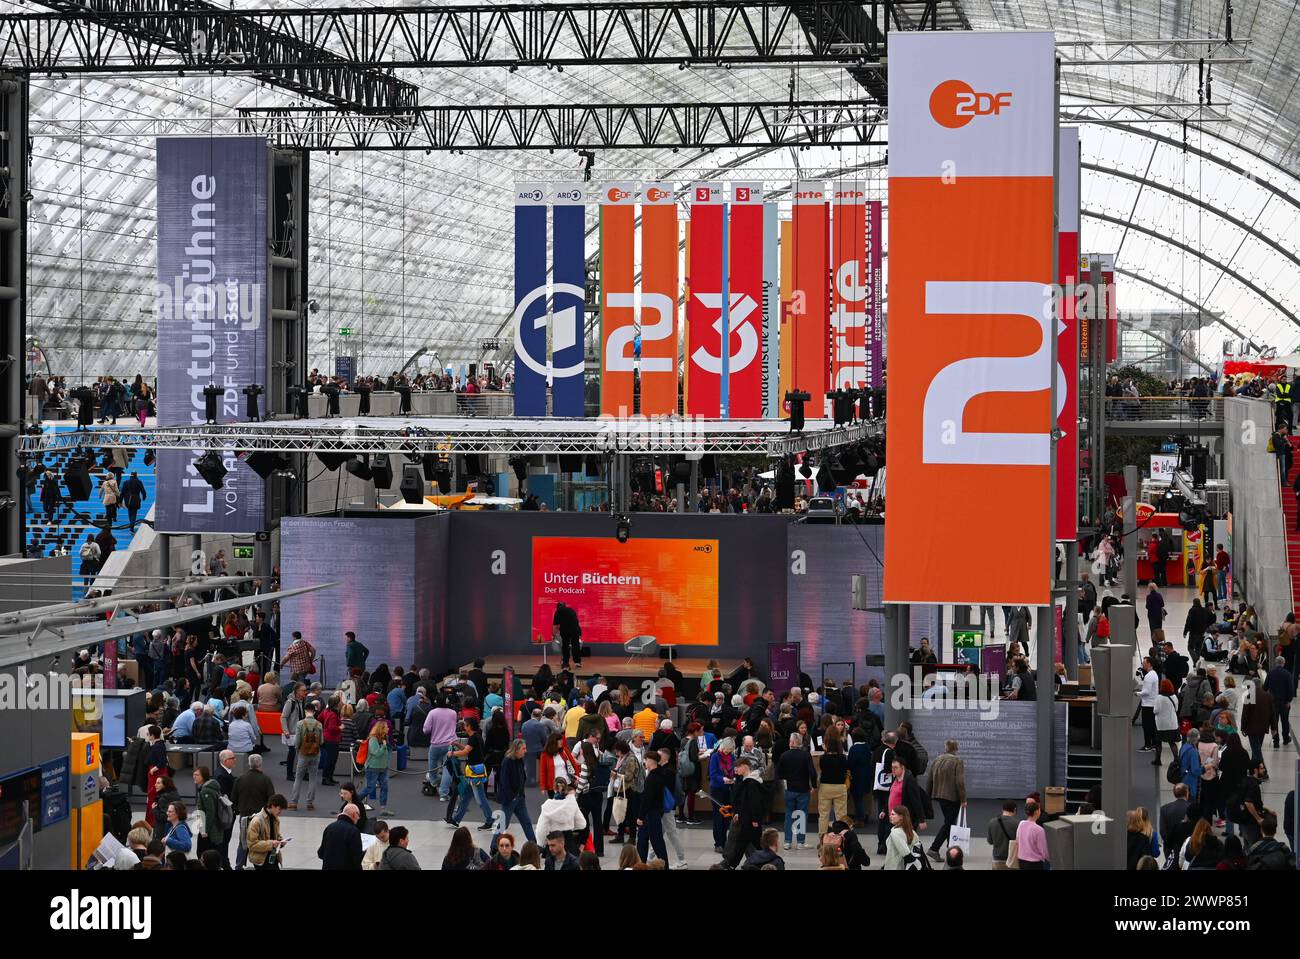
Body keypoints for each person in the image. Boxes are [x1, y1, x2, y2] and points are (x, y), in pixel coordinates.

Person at [448, 716, 495, 829]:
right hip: (475, 771)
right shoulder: (476, 737)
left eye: (465, 725)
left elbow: (465, 751)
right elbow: (468, 749)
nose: (464, 727)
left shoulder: (474, 738)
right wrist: (458, 745)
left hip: (474, 772)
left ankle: (489, 819)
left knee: (480, 798)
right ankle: (456, 819)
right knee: (467, 796)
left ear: (469, 727)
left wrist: (452, 754)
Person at [926, 739, 967, 861]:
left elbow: (929, 779)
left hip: (939, 795)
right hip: (952, 797)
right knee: (949, 823)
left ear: (946, 747)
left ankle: (951, 849)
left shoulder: (937, 759)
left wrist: (928, 796)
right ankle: (934, 848)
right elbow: (959, 782)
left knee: (950, 822)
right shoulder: (957, 761)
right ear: (956, 748)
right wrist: (963, 798)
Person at [776, 732, 816, 848]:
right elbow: (812, 772)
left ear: (791, 742)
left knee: (789, 814)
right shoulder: (806, 755)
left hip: (790, 789)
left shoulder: (784, 755)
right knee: (801, 815)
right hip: (803, 789)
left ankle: (787, 841)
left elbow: (778, 772)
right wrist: (813, 785)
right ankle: (800, 842)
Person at [496, 739, 536, 843]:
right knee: (503, 824)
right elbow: (504, 781)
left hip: (520, 798)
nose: (525, 751)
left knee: (526, 822)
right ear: (517, 749)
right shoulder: (507, 761)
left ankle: (534, 844)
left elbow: (522, 776)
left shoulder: (519, 760)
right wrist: (511, 797)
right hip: (510, 799)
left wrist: (520, 794)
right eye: (523, 748)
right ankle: (494, 846)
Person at [636, 749, 671, 865]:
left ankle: (663, 865)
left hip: (650, 814)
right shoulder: (661, 773)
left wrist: (640, 817)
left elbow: (647, 799)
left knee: (656, 842)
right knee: (642, 840)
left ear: (651, 761)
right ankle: (641, 864)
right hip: (656, 811)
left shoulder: (652, 778)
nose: (644, 762)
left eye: (645, 759)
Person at [288, 701, 323, 810]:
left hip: (303, 754)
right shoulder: (319, 724)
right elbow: (321, 741)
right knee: (313, 778)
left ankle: (294, 802)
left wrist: (298, 750)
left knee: (298, 778)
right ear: (314, 711)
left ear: (305, 711)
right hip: (315, 753)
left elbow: (297, 741)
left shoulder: (300, 724)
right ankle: (309, 803)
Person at [707, 736, 736, 853]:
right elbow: (713, 774)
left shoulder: (732, 757)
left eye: (730, 750)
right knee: (718, 816)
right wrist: (723, 779)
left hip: (728, 789)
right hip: (717, 789)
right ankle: (718, 843)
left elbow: (734, 769)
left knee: (727, 817)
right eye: (727, 749)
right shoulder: (715, 757)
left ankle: (725, 842)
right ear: (723, 747)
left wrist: (733, 777)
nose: (728, 752)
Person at [359, 719, 393, 817]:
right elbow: (376, 753)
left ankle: (383, 808)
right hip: (373, 768)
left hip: (383, 768)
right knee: (370, 788)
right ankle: (353, 802)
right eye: (386, 727)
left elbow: (386, 753)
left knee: (385, 788)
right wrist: (384, 746)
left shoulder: (385, 738)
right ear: (381, 729)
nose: (388, 728)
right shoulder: (373, 739)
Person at [317, 803, 363, 870]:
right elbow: (356, 858)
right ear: (354, 814)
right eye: (358, 815)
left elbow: (321, 853)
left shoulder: (329, 827)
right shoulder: (354, 831)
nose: (358, 818)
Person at [883, 806, 925, 870]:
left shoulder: (896, 833)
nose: (890, 816)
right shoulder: (912, 832)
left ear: (901, 817)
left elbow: (906, 853)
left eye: (893, 814)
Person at [1015, 799, 1049, 869]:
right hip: (1034, 864)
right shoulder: (1039, 830)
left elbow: (1017, 840)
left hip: (1021, 861)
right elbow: (1043, 850)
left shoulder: (1021, 824)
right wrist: (1050, 859)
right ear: (1036, 812)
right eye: (1039, 810)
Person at [987, 801, 1020, 870]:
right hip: (1012, 859)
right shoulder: (1017, 824)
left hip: (997, 859)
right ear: (1014, 810)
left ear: (1003, 810)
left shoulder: (992, 822)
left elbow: (990, 841)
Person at [552, 601, 582, 670]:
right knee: (575, 645)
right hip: (575, 630)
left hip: (565, 630)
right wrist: (579, 633)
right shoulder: (571, 610)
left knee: (565, 646)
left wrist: (553, 635)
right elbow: (576, 621)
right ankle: (578, 662)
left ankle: (566, 663)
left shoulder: (558, 612)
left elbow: (555, 626)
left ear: (558, 607)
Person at [1138, 657, 1160, 752]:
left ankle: (1147, 745)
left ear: (1149, 664)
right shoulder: (1154, 674)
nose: (1143, 664)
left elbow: (1146, 692)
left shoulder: (1148, 676)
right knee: (1152, 725)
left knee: (1146, 726)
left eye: (1144, 662)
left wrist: (1137, 693)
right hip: (1153, 703)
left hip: (1147, 704)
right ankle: (1154, 744)